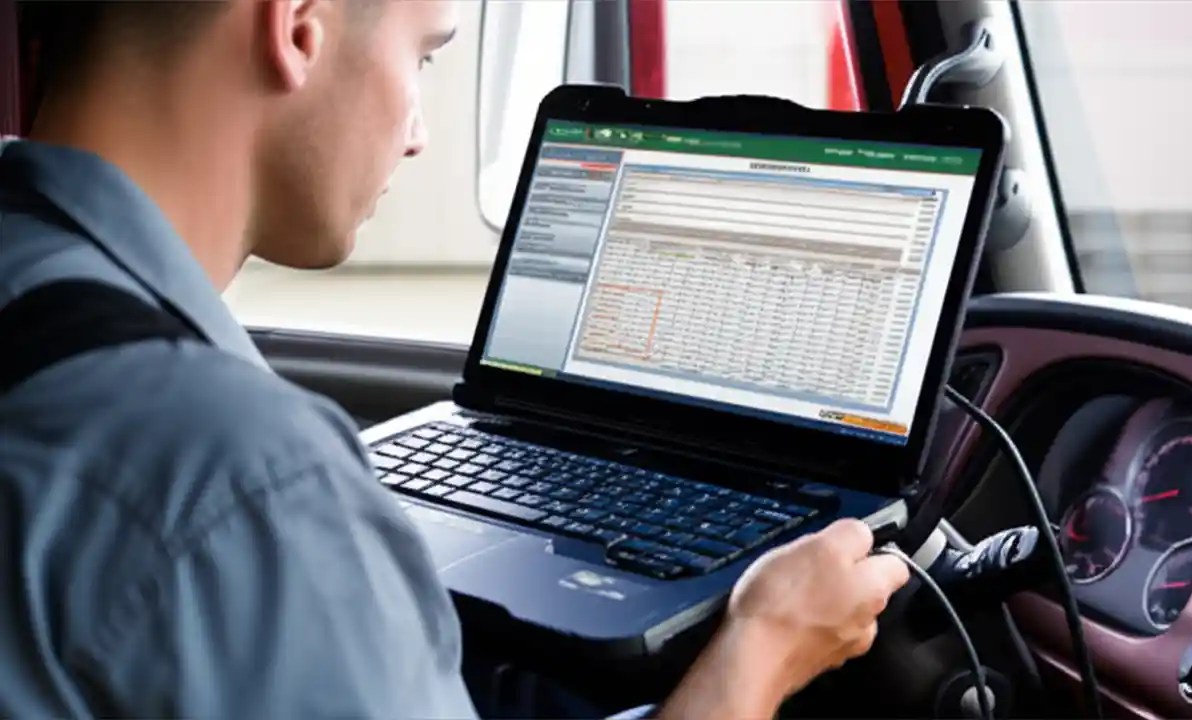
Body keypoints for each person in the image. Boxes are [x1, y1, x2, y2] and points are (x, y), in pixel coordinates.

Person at [0, 1, 911, 718]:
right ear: (298, 27)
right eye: (424, 56)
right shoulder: (243, 475)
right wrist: (762, 652)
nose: (417, 133)